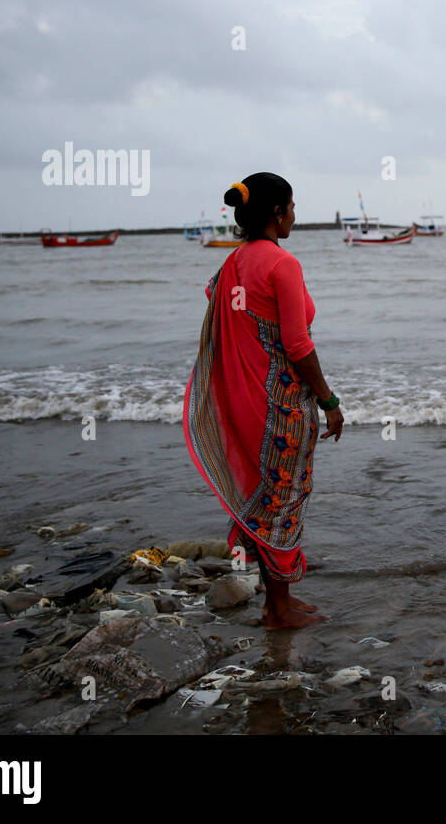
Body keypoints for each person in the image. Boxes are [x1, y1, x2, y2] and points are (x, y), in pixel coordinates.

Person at [183, 172, 344, 630]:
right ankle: (279, 608)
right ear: (277, 212)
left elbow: (220, 309)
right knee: (283, 498)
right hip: (282, 406)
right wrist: (329, 401)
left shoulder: (230, 265)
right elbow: (297, 344)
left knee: (266, 498)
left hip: (243, 401)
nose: (295, 214)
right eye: (292, 206)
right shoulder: (282, 264)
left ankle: (279, 602)